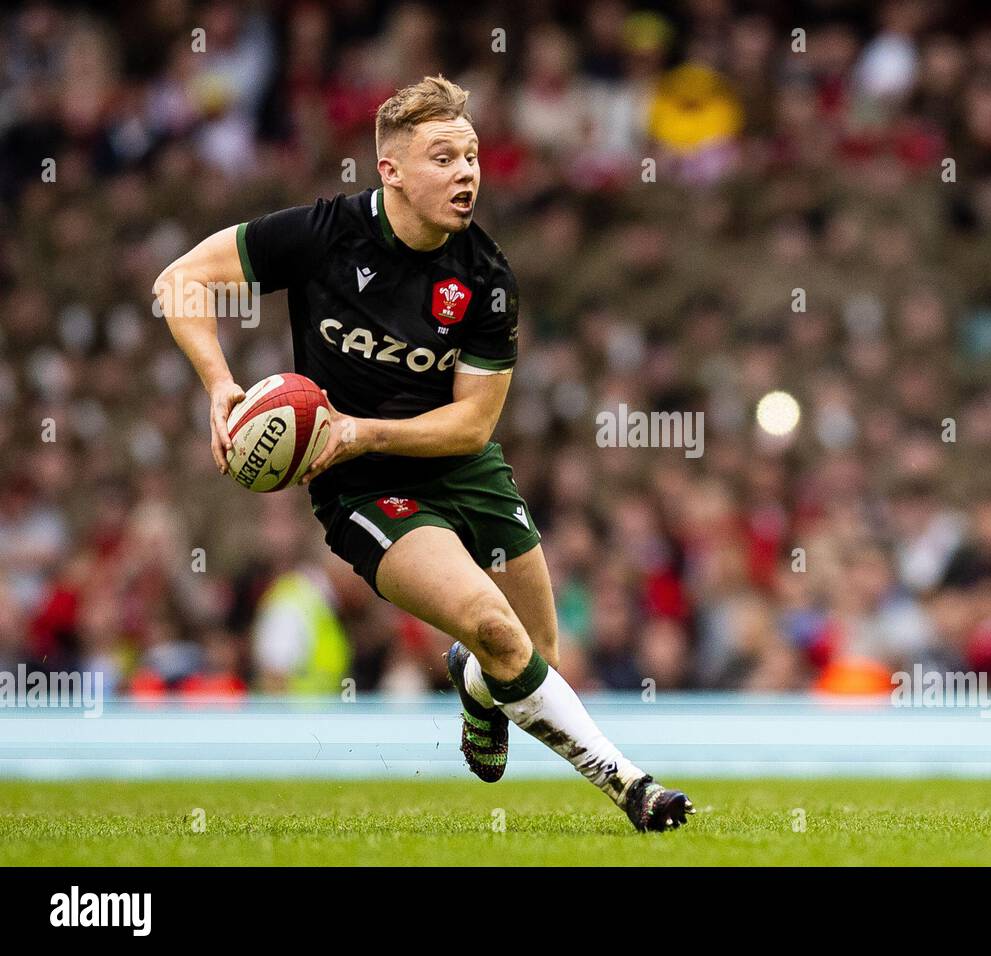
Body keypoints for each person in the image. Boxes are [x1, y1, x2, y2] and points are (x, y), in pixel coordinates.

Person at [154, 74, 693, 832]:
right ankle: (633, 787)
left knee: (531, 653)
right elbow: (180, 281)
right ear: (392, 171)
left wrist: (358, 426)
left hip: (459, 467)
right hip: (363, 491)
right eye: (443, 158)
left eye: (471, 157)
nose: (466, 173)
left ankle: (474, 690)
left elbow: (472, 427)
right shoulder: (321, 235)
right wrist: (219, 384)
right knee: (498, 631)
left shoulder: (485, 278)